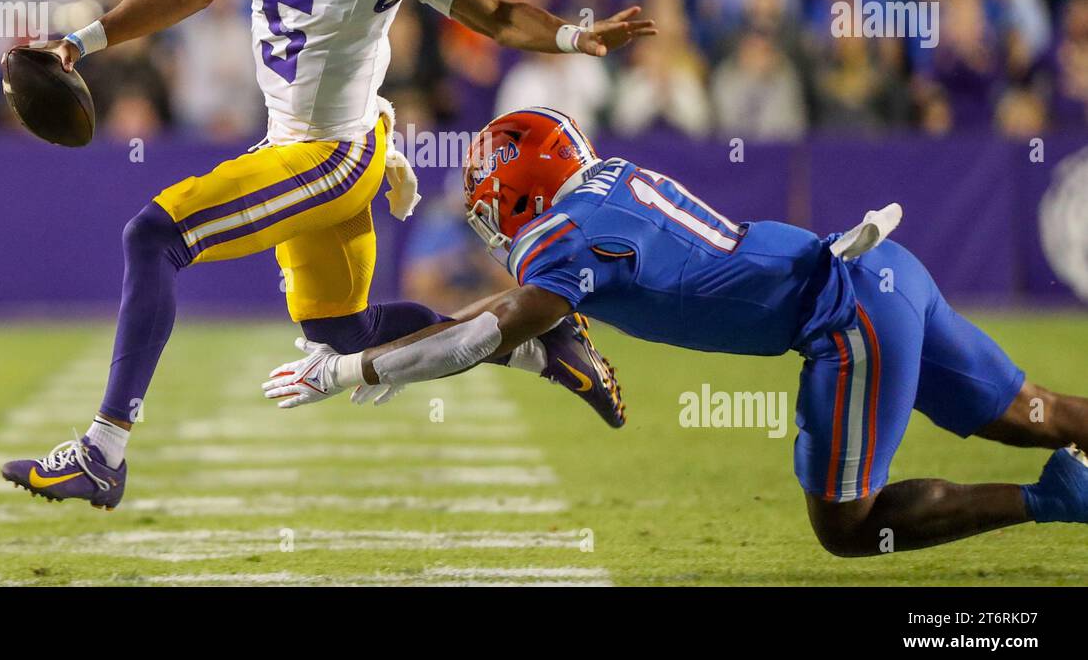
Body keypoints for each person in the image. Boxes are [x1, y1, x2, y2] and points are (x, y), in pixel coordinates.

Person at [0, 0, 649, 509]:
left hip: (333, 153)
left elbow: (492, 14)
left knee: (153, 237)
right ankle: (542, 343)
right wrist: (80, 42)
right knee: (346, 333)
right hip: (304, 141)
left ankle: (102, 452)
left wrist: (571, 33)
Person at [264, 107, 1088, 555]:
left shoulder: (559, 236)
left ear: (516, 195)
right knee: (1030, 412)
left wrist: (350, 372)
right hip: (885, 273)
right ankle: (1059, 477)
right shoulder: (608, 186)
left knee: (850, 526)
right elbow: (497, 319)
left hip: (847, 320)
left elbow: (481, 335)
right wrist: (390, 358)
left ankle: (1052, 499)